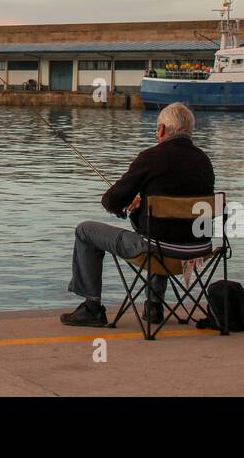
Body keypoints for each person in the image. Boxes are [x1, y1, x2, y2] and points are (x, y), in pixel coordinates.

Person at [60, 102, 215, 327]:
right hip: (197, 251)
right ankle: (153, 306)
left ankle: (92, 307)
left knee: (85, 230)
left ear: (162, 129)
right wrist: (145, 207)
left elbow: (111, 201)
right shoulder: (204, 161)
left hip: (158, 250)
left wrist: (132, 208)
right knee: (163, 231)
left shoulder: (151, 157)